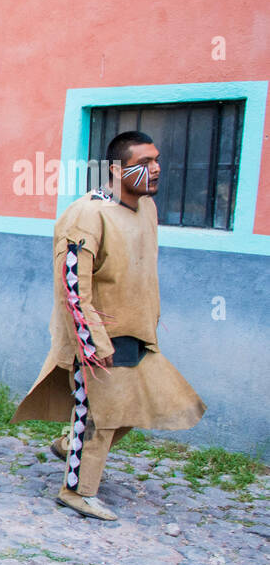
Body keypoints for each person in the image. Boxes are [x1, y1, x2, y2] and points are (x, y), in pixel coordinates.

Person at [13, 131, 206, 521]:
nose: (156, 169)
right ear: (117, 170)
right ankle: (77, 491)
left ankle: (71, 445)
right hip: (98, 340)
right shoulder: (86, 215)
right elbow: (72, 287)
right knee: (100, 419)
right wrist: (92, 342)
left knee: (136, 407)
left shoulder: (147, 208)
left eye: (156, 160)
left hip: (137, 335)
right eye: (144, 163)